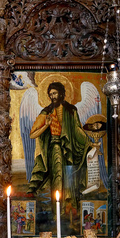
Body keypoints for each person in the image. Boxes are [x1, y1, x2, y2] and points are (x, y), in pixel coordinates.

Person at [28, 81, 89, 211]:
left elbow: (78, 129)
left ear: (61, 93)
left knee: (70, 176)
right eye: (50, 94)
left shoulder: (71, 110)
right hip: (55, 146)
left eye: (55, 93)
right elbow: (32, 135)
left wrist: (89, 143)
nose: (53, 97)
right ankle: (57, 209)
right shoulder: (47, 112)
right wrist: (46, 125)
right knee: (58, 176)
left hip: (69, 148)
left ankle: (70, 208)